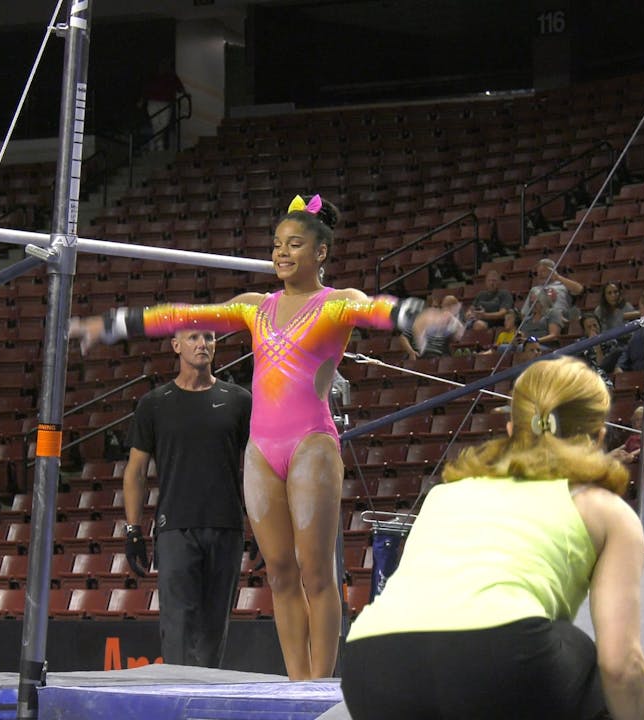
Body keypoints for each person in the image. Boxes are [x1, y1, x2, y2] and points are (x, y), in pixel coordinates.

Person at [69, 194, 453, 680]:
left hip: (311, 444)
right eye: (276, 245)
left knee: (317, 574)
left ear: (321, 254)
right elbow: (183, 315)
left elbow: (381, 310)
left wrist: (419, 317)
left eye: (294, 244)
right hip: (261, 453)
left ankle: (320, 683)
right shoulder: (255, 307)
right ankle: (297, 683)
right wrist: (107, 326)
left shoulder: (335, 304)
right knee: (280, 574)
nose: (281, 253)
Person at [341, 358, 644, 720]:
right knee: (579, 653)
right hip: (501, 658)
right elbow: (621, 664)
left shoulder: (444, 494)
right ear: (600, 437)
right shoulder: (603, 509)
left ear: (511, 429)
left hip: (373, 664)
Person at [122, 329, 251, 668]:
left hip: (227, 525)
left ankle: (204, 705)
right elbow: (136, 471)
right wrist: (133, 529)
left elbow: (257, 467)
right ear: (176, 345)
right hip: (175, 526)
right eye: (192, 337)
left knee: (214, 628)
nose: (202, 344)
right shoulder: (154, 403)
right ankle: (177, 701)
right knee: (177, 626)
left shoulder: (240, 401)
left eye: (209, 337)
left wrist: (265, 526)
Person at [526, 258, 584, 341]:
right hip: (540, 322)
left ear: (552, 271)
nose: (539, 274)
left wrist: (557, 277)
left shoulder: (562, 285)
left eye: (543, 271)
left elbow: (579, 289)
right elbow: (525, 312)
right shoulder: (534, 289)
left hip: (560, 318)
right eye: (538, 272)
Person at [395, 295, 465, 360]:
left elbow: (458, 335)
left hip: (438, 356)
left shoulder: (448, 322)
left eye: (437, 307)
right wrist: (411, 351)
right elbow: (403, 337)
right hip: (419, 355)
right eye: (432, 307)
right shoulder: (420, 320)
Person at [142, 58, 185, 151]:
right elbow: (146, 89)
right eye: (161, 65)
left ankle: (153, 142)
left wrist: (183, 93)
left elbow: (180, 88)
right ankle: (159, 146)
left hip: (166, 103)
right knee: (155, 124)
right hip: (152, 102)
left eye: (164, 65)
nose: (162, 67)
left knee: (163, 125)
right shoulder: (153, 76)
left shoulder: (171, 76)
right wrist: (142, 100)